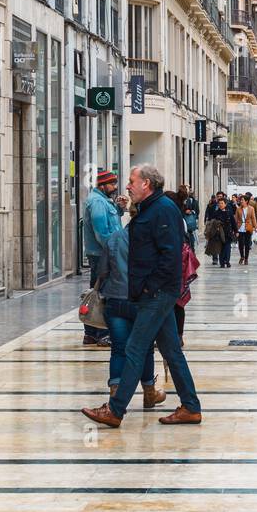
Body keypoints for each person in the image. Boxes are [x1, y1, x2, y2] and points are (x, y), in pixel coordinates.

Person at [82, 164, 202, 428]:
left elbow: (170, 256)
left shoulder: (162, 210)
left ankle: (115, 410)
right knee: (171, 351)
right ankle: (191, 407)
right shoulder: (153, 208)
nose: (127, 186)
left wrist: (149, 288)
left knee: (135, 348)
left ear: (146, 183)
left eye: (132, 181)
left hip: (156, 294)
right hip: (155, 292)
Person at [95, 225, 162, 409]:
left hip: (116, 300)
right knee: (146, 348)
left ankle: (115, 396)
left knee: (118, 348)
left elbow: (102, 271)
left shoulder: (114, 238)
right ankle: (149, 394)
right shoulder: (151, 240)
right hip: (142, 301)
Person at [81, 170, 122, 347]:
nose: (115, 187)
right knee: (103, 294)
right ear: (103, 185)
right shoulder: (97, 202)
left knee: (97, 291)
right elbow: (102, 233)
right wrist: (115, 252)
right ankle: (102, 333)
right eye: (112, 184)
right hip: (102, 255)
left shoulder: (102, 200)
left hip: (101, 254)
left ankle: (91, 333)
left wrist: (118, 209)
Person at [205, 196, 234, 268]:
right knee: (221, 248)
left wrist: (236, 231)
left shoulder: (229, 212)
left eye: (222, 203)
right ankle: (222, 262)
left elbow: (233, 222)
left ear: (225, 204)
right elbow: (212, 222)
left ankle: (227, 261)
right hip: (219, 233)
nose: (220, 204)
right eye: (219, 203)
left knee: (227, 248)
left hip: (228, 233)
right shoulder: (216, 213)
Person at [234, 194, 257, 265]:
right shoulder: (238, 209)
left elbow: (253, 218)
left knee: (247, 244)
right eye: (241, 200)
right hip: (240, 228)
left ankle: (246, 258)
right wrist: (235, 229)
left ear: (246, 201)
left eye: (242, 200)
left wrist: (255, 227)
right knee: (240, 244)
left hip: (248, 228)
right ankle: (242, 256)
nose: (241, 201)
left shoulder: (251, 208)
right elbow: (236, 219)